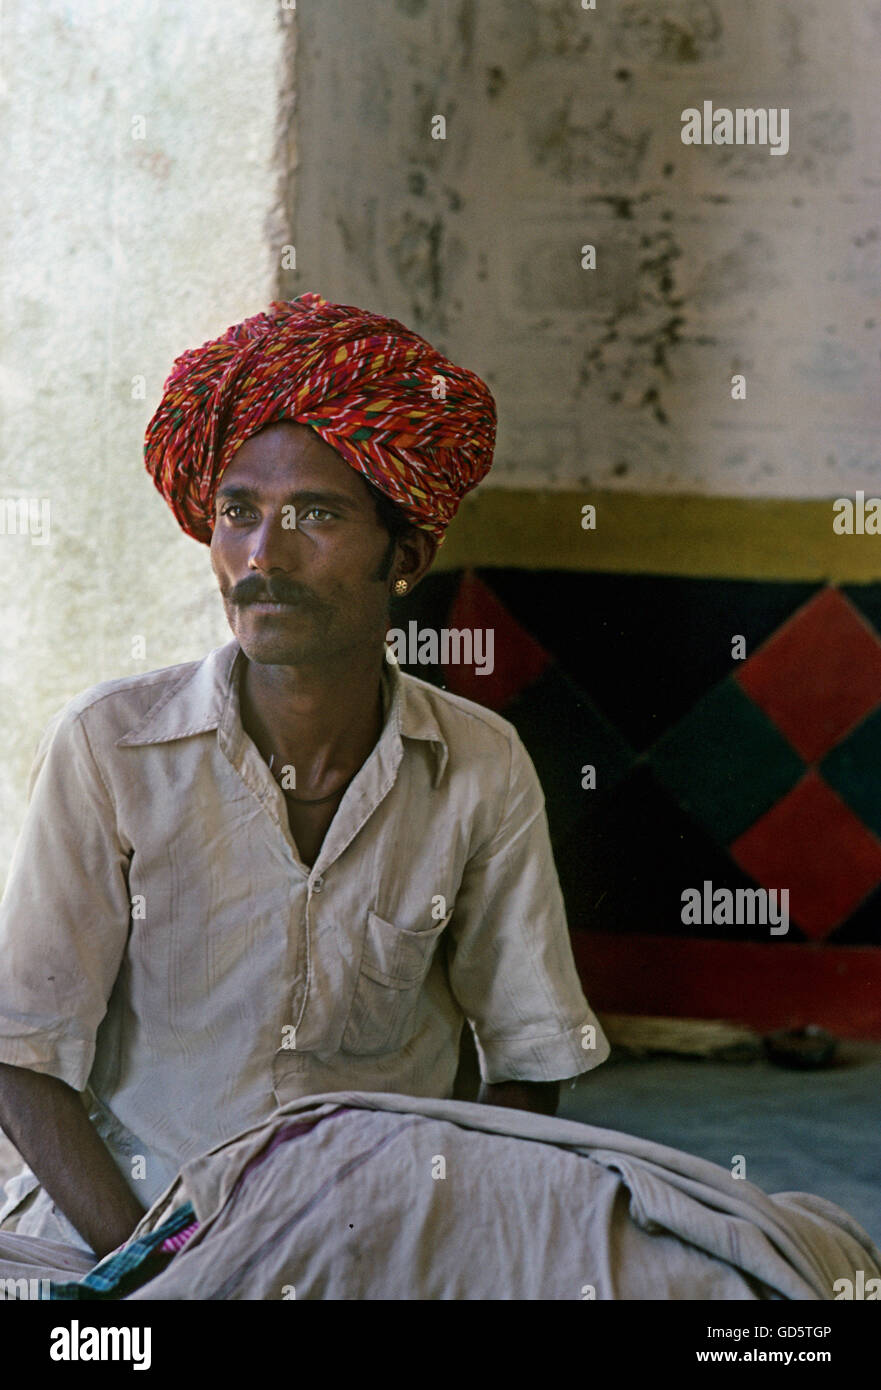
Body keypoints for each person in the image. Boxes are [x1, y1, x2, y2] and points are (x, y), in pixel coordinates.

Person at [0, 293, 609, 1260]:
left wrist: (456, 1227)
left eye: (314, 515)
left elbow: (529, 1053)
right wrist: (158, 1275)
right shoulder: (108, 747)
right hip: (114, 1236)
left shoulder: (479, 767)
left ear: (404, 555)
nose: (261, 556)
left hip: (364, 1239)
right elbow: (20, 1060)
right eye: (238, 512)